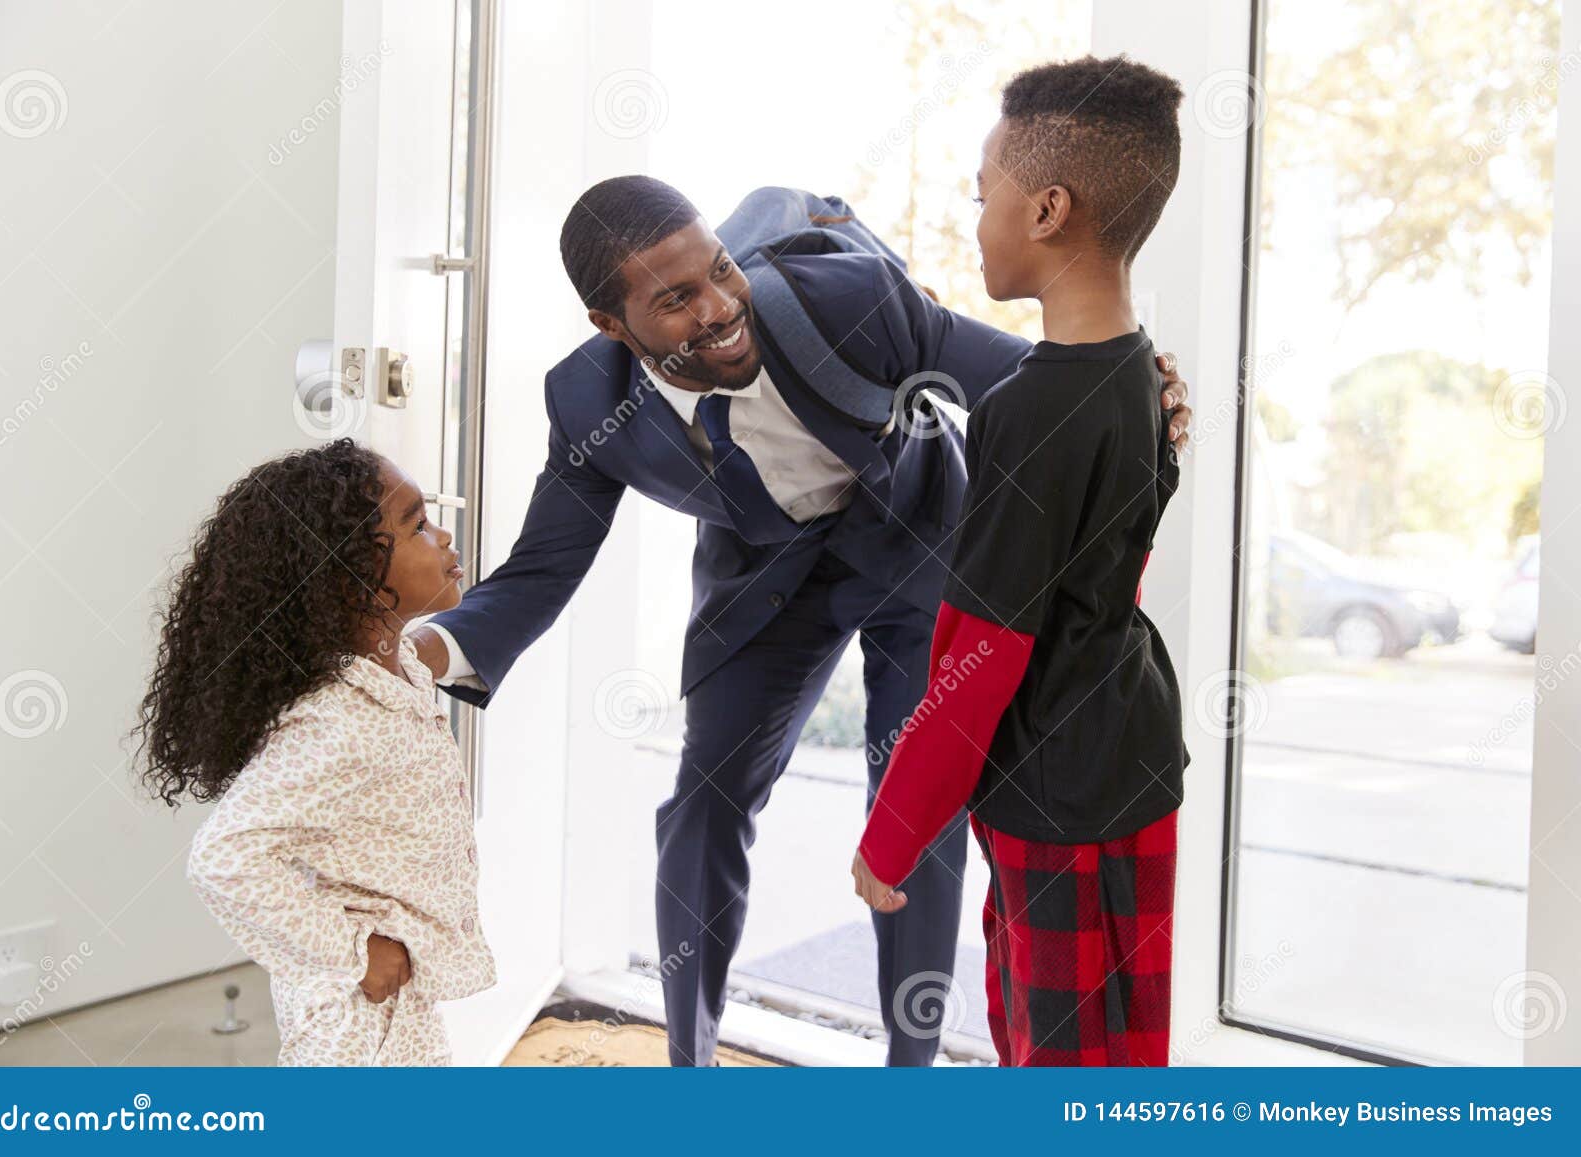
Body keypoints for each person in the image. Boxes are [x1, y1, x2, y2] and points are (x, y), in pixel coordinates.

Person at [408, 176, 1194, 1066]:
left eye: (719, 272)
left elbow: (1021, 380)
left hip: (914, 537)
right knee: (703, 803)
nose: (716, 309)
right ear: (611, 325)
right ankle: (689, 1066)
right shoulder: (591, 404)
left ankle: (909, 1070)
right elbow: (543, 567)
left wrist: (1132, 390)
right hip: (765, 585)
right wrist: (427, 645)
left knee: (915, 800)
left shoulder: (846, 299)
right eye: (675, 301)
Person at [853, 55, 1190, 1067]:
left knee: (1050, 1055)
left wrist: (891, 832)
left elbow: (978, 656)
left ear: (1046, 209)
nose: (975, 217)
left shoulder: (1025, 410)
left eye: (981, 194)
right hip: (1138, 754)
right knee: (1129, 1048)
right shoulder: (1140, 368)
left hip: (1053, 793)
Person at [133, 439, 494, 1066]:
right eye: (417, 525)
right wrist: (353, 950)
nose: (442, 537)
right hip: (355, 1021)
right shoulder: (335, 721)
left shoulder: (396, 670)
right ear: (351, 575)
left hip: (400, 1004)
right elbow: (225, 860)